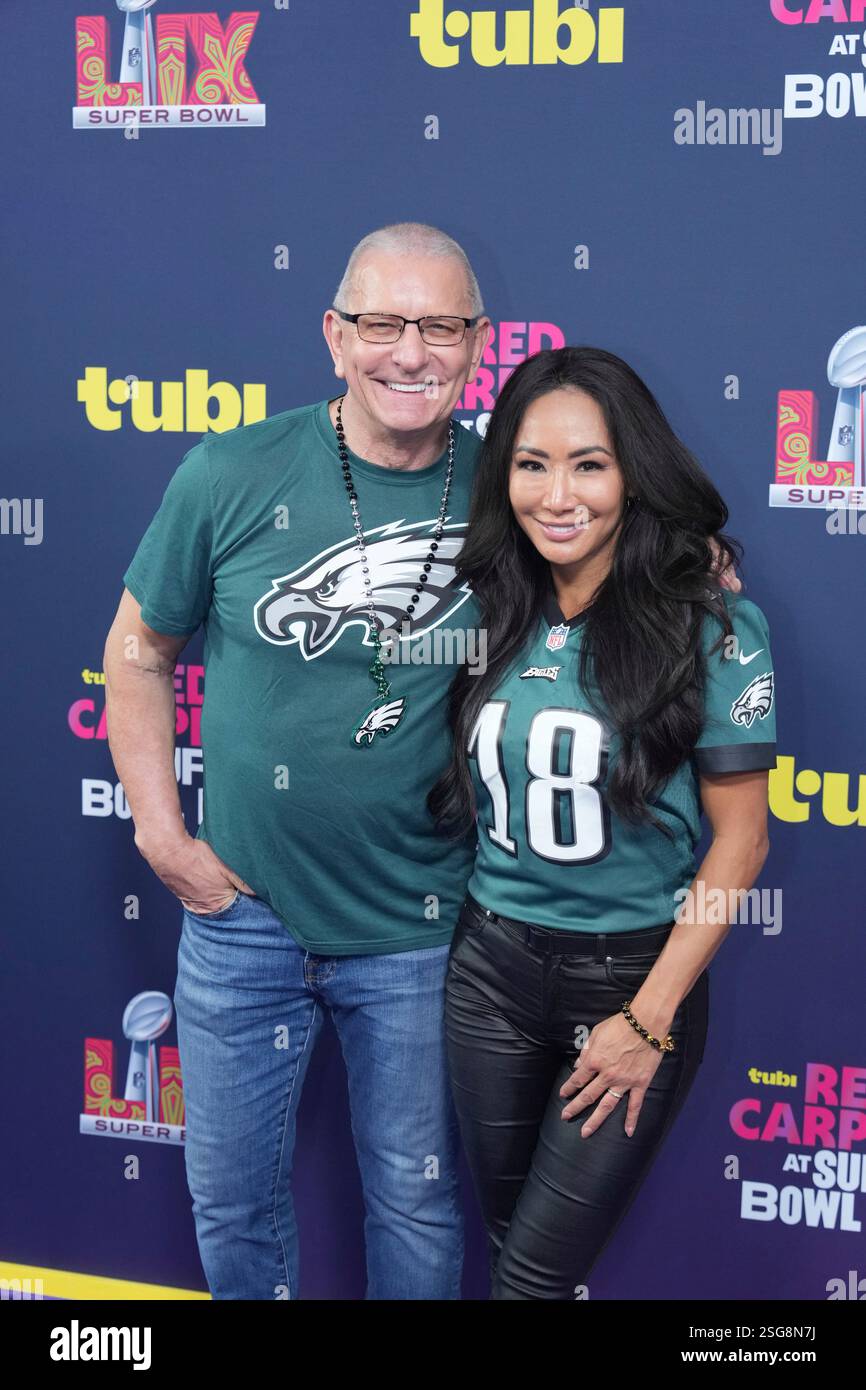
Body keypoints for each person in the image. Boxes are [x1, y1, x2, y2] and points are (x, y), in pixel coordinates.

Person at [103, 222, 738, 1301]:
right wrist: (161, 831)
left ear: (475, 341)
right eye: (381, 323)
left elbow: (624, 527)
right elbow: (137, 649)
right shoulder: (230, 470)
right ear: (334, 336)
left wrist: (696, 561)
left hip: (423, 928)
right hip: (240, 919)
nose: (409, 352)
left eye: (438, 326)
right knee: (230, 1199)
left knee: (413, 1195)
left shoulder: (512, 484)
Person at [428, 346, 776, 1300]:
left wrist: (645, 1020)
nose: (557, 493)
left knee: (533, 1281)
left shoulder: (710, 625)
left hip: (629, 983)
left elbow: (742, 841)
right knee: (508, 1247)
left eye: (589, 463)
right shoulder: (494, 604)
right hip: (489, 972)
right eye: (532, 464)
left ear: (634, 471)